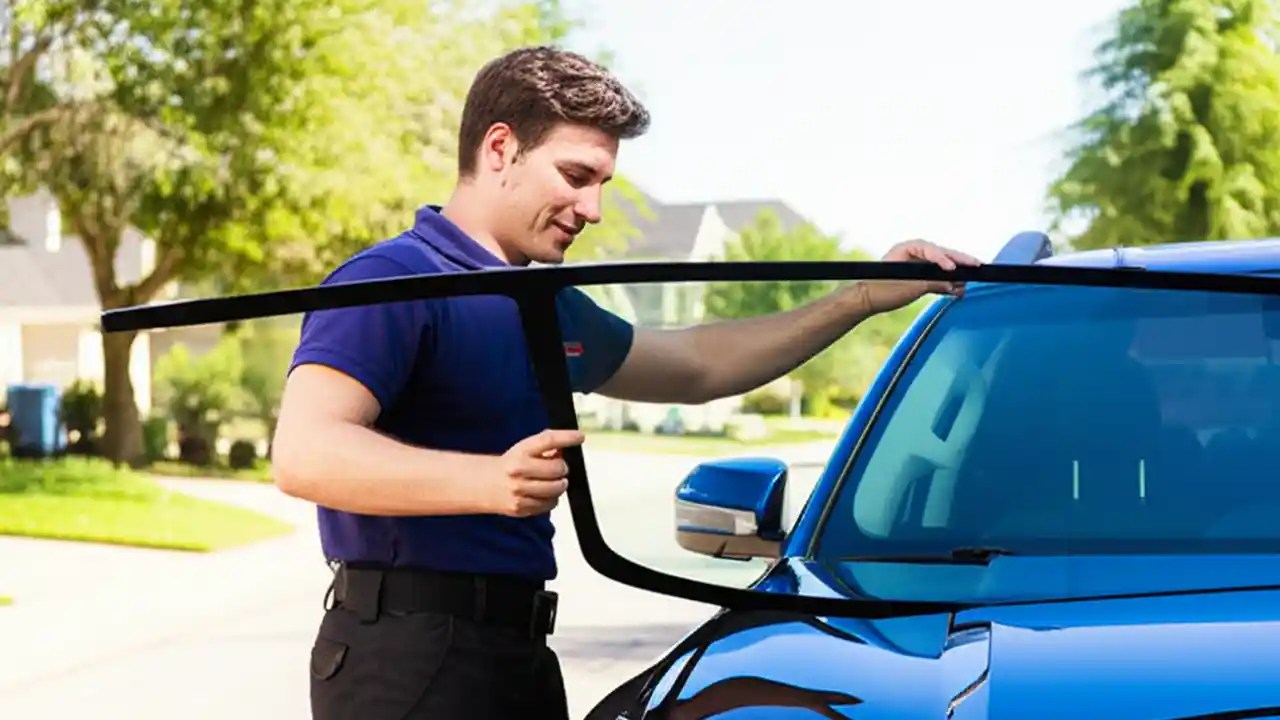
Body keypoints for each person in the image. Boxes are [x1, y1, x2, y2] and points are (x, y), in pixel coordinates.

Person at [272, 45, 980, 720]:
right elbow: (306, 451)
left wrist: (859, 298)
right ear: (499, 150)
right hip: (405, 653)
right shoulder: (392, 282)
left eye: (603, 184)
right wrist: (487, 483)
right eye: (576, 176)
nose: (593, 210)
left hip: (514, 650)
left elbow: (699, 366)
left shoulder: (544, 303)